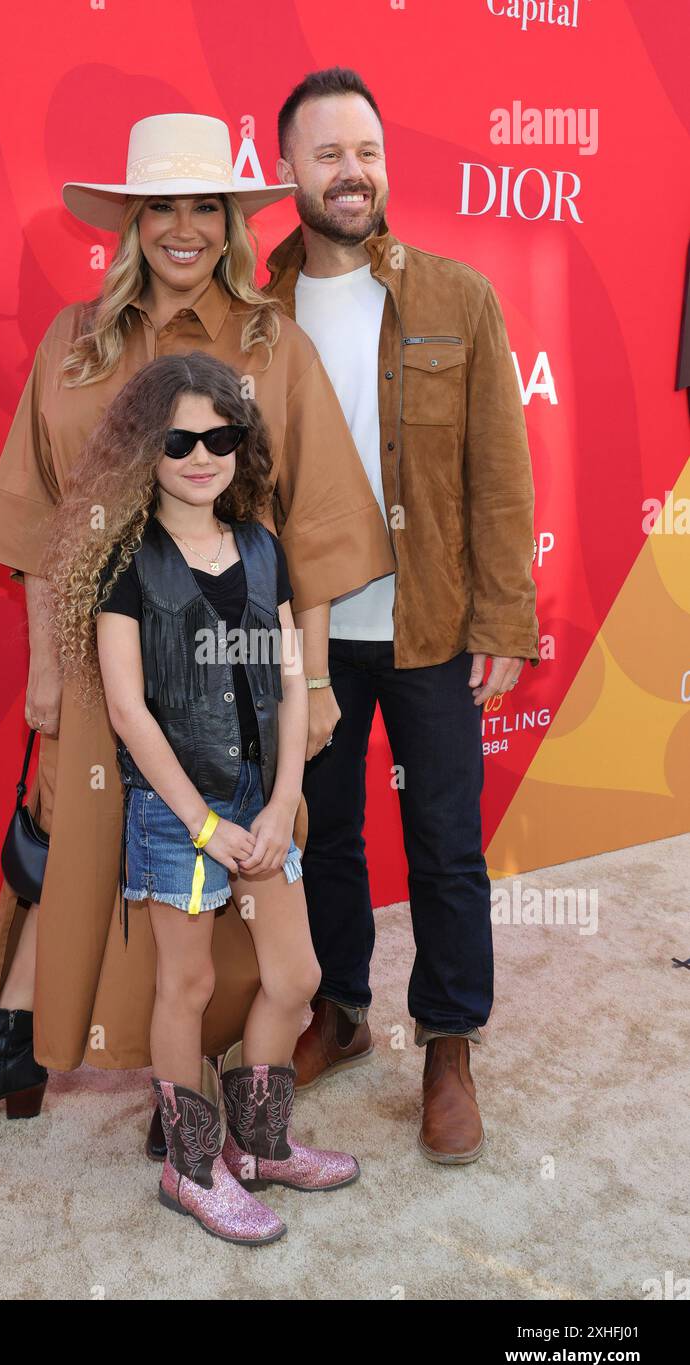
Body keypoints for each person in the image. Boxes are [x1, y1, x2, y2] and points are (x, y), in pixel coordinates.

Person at [0, 112, 395, 1142]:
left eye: (204, 205)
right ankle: (9, 1054)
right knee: (68, 855)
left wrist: (322, 676)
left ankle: (196, 1088)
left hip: (230, 659)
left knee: (231, 872)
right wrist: (41, 667)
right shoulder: (74, 343)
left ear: (229, 222)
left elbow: (316, 520)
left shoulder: (269, 345)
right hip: (96, 656)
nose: (184, 227)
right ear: (131, 221)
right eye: (162, 205)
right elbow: (34, 516)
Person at [262, 69, 540, 1162]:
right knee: (322, 838)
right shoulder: (255, 309)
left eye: (366, 151)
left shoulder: (456, 298)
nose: (352, 172)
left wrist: (506, 619)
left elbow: (500, 477)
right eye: (328, 154)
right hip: (307, 638)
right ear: (287, 168)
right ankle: (338, 1010)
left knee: (443, 845)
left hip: (427, 625)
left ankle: (449, 1043)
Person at [67, 349, 359, 1243]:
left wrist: (279, 806)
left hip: (259, 798)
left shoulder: (263, 548)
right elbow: (126, 707)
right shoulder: (126, 560)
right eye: (179, 439)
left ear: (244, 445)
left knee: (298, 976)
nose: (202, 454)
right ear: (143, 450)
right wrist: (201, 823)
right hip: (172, 811)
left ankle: (261, 1145)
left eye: (220, 436)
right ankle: (191, 1169)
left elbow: (288, 683)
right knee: (186, 985)